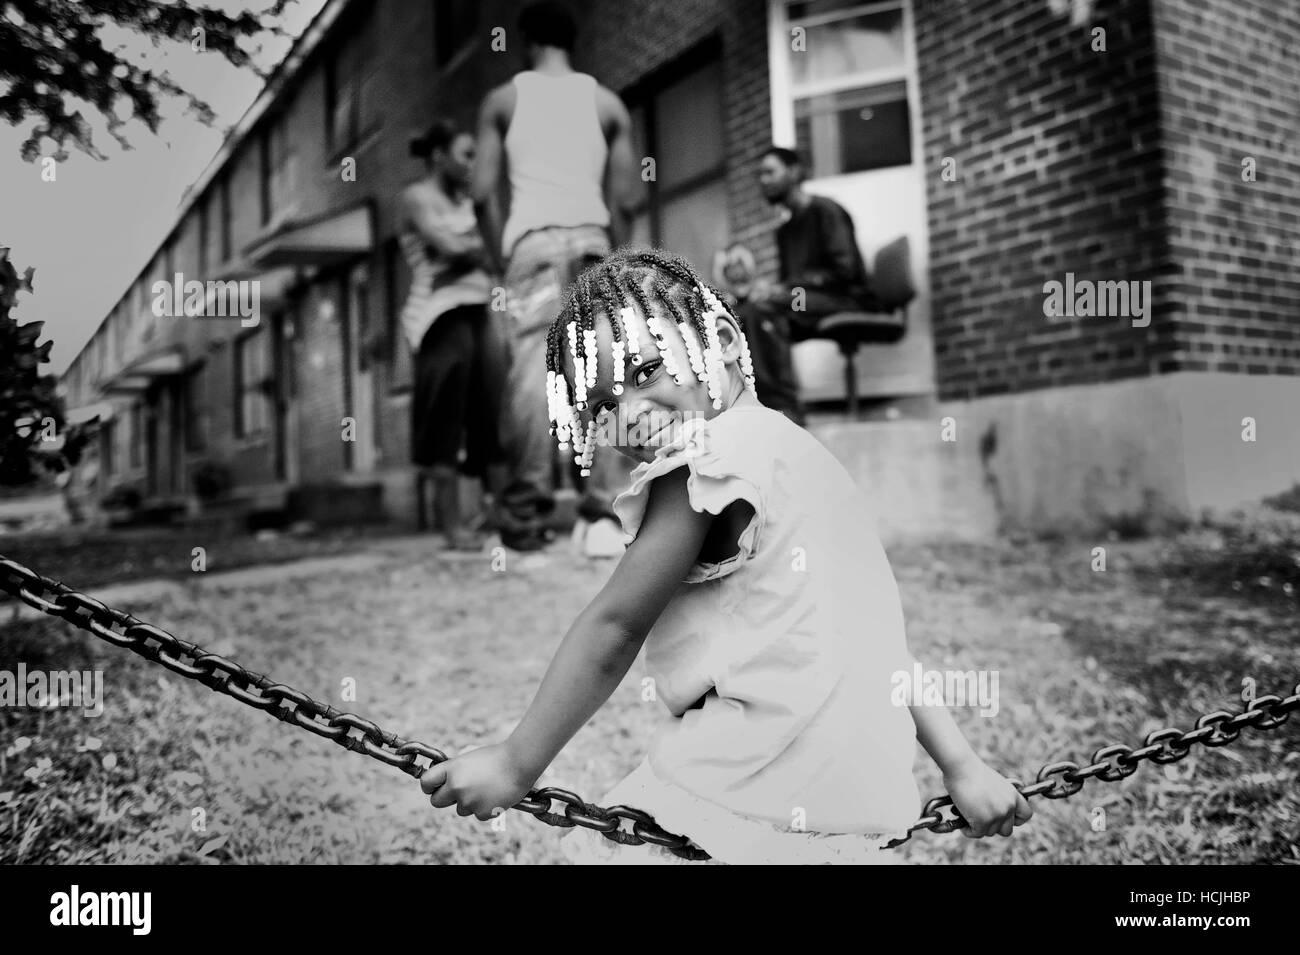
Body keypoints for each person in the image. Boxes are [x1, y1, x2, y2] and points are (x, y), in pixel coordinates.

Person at [420, 248, 1032, 864]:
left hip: (736, 799)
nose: (630, 414)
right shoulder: (804, 459)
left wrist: (515, 761)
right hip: (854, 810)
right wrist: (962, 766)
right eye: (601, 407)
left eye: (646, 371)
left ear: (722, 341)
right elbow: (881, 644)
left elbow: (617, 624)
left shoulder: (707, 455)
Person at [471, 0, 637, 554]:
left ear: (526, 43)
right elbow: (628, 198)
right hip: (593, 243)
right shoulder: (607, 104)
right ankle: (606, 518)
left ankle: (525, 520)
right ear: (573, 42)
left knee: (531, 375)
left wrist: (502, 256)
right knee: (607, 371)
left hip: (532, 247)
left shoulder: (503, 100)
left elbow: (479, 192)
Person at [399, 120, 508, 551]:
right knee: (444, 416)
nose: (472, 165)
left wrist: (485, 208)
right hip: (438, 316)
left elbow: (496, 255)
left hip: (479, 310)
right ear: (438, 154)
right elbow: (451, 248)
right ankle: (451, 528)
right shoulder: (415, 198)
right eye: (466, 155)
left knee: (491, 410)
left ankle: (501, 515)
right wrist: (477, 250)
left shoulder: (473, 200)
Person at [736, 146, 880, 426]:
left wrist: (783, 290)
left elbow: (846, 270)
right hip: (808, 300)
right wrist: (777, 288)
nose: (762, 180)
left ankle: (785, 408)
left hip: (846, 297)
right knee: (745, 311)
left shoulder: (826, 211)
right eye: (759, 175)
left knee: (765, 307)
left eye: (769, 172)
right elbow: (793, 282)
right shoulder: (786, 231)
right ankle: (762, 405)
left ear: (794, 172)